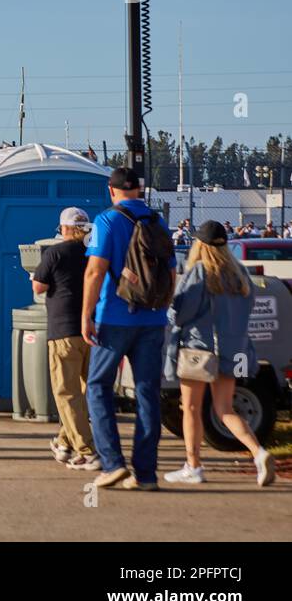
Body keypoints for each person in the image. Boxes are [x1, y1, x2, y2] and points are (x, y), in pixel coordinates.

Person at [82, 166, 176, 490]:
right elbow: (172, 274)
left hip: (114, 318)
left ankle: (112, 463)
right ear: (138, 190)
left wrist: (86, 315)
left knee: (98, 386)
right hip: (152, 320)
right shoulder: (157, 221)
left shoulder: (107, 220)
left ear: (112, 191)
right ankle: (146, 474)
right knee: (148, 393)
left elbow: (95, 272)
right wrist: (160, 308)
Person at [163, 221, 277, 486]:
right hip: (236, 349)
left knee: (190, 408)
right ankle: (258, 452)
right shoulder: (238, 273)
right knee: (225, 408)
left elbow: (181, 312)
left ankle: (193, 466)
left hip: (200, 349)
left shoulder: (200, 272)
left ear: (199, 245)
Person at [31, 207, 98, 469]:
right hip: (90, 331)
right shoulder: (92, 254)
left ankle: (87, 449)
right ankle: (64, 443)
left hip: (62, 331)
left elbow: (39, 286)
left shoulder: (54, 252)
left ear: (64, 228)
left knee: (66, 393)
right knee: (82, 394)